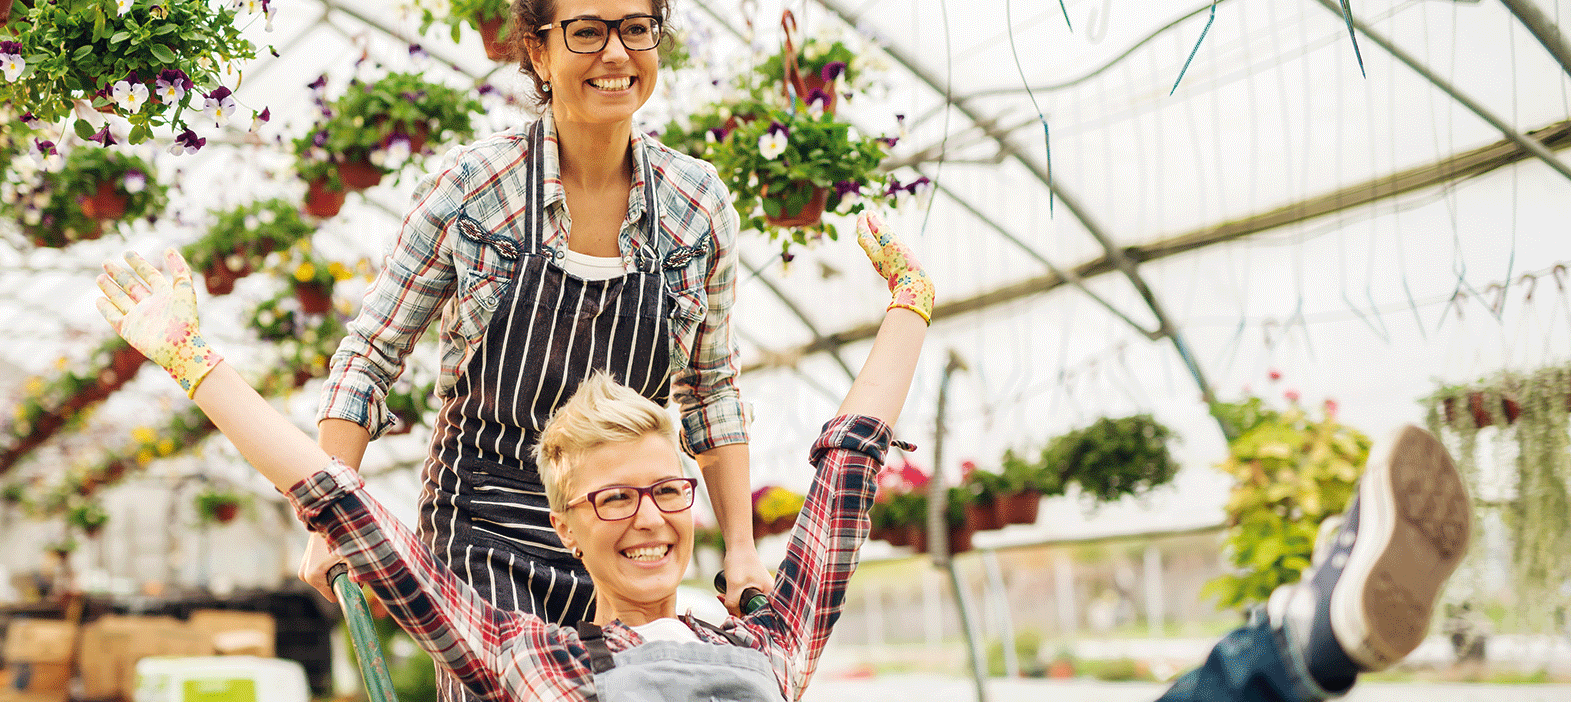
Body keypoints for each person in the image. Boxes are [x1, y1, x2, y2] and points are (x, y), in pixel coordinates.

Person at [99, 213, 1474, 702]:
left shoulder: (770, 638)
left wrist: (910, 308)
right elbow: (349, 504)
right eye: (614, 498)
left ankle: (1312, 641)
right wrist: (193, 360)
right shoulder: (520, 654)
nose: (650, 515)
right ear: (567, 526)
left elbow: (845, 472)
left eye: (667, 488)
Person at [305, 0, 768, 658]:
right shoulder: (473, 187)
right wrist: (333, 513)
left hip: (625, 522)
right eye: (586, 32)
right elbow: (370, 354)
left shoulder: (695, 202)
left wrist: (741, 550)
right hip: (486, 525)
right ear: (538, 51)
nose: (615, 53)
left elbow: (710, 388)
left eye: (636, 30)